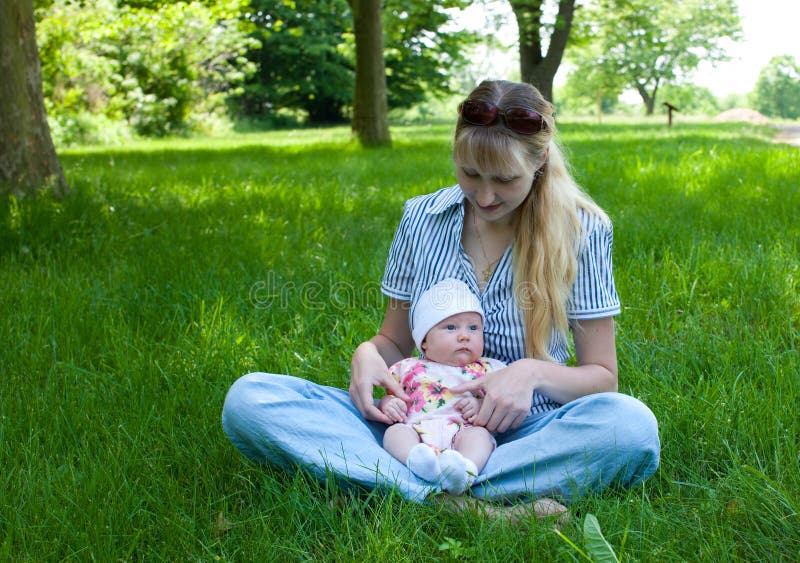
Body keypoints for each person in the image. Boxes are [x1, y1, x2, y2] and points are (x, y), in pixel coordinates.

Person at [222, 79, 660, 518]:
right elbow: (394, 342)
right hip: (414, 427)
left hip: (525, 432)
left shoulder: (583, 229)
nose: (485, 196)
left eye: (505, 180)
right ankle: (471, 505)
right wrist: (368, 353)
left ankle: (393, 487)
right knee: (249, 400)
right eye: (470, 173)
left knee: (629, 426)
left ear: (540, 159)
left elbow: (602, 378)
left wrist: (530, 374)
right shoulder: (421, 218)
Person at [379, 278, 505, 495]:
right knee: (394, 433)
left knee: (480, 437)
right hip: (416, 430)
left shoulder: (488, 369)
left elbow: (500, 401)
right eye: (451, 327)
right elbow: (391, 395)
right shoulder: (407, 367)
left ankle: (464, 470)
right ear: (424, 341)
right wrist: (388, 404)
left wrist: (480, 405)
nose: (465, 336)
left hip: (463, 431)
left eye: (473, 328)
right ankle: (417, 462)